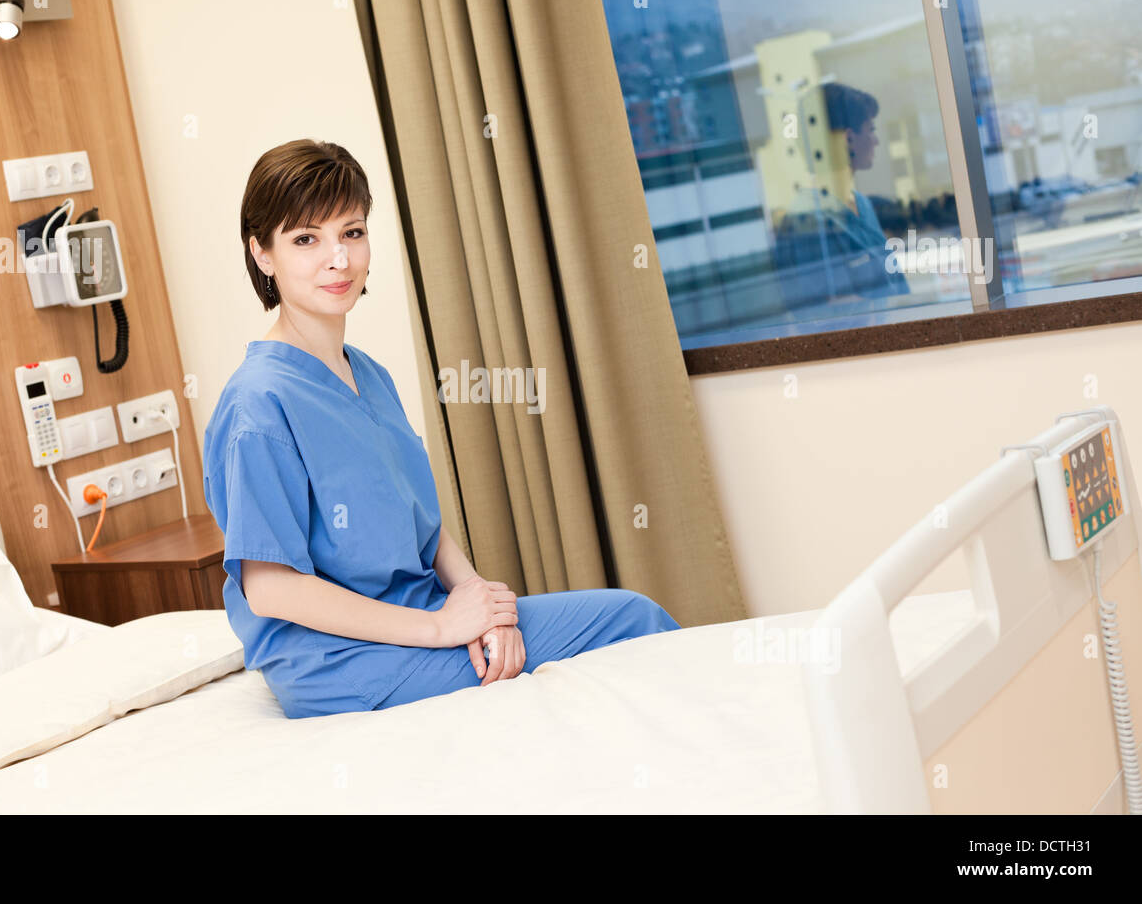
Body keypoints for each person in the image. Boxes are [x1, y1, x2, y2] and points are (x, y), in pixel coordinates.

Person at [202, 139, 680, 719]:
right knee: (630, 629)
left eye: (352, 232)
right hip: (338, 660)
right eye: (306, 239)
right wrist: (439, 627)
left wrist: (480, 603)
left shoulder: (368, 376)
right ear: (263, 254)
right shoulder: (258, 403)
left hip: (422, 613)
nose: (339, 259)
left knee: (630, 619)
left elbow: (422, 530)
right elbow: (271, 588)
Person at [773, 82, 910, 314]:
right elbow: (832, 316)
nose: (876, 141)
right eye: (871, 129)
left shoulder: (861, 205)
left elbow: (894, 287)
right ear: (848, 139)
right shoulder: (808, 221)